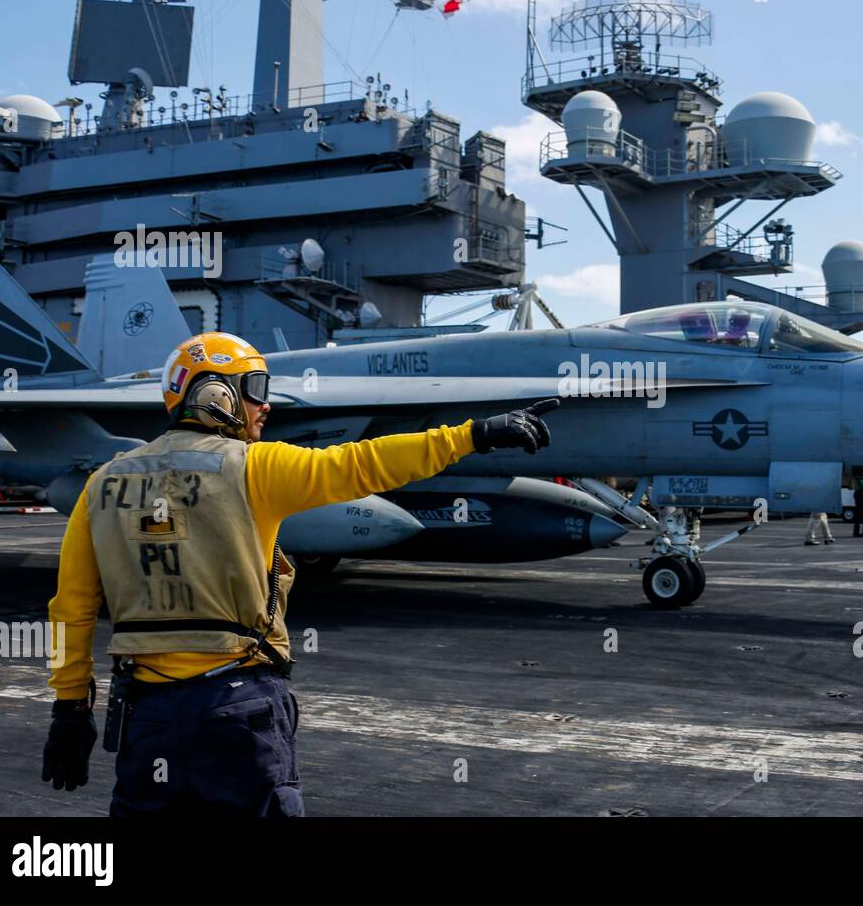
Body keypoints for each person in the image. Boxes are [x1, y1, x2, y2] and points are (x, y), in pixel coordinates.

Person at [41, 332, 557, 816]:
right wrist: (473, 434)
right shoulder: (255, 467)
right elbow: (363, 464)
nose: (266, 405)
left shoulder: (101, 484)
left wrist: (69, 710)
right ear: (216, 393)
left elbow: (72, 606)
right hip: (237, 708)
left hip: (146, 718)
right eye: (257, 389)